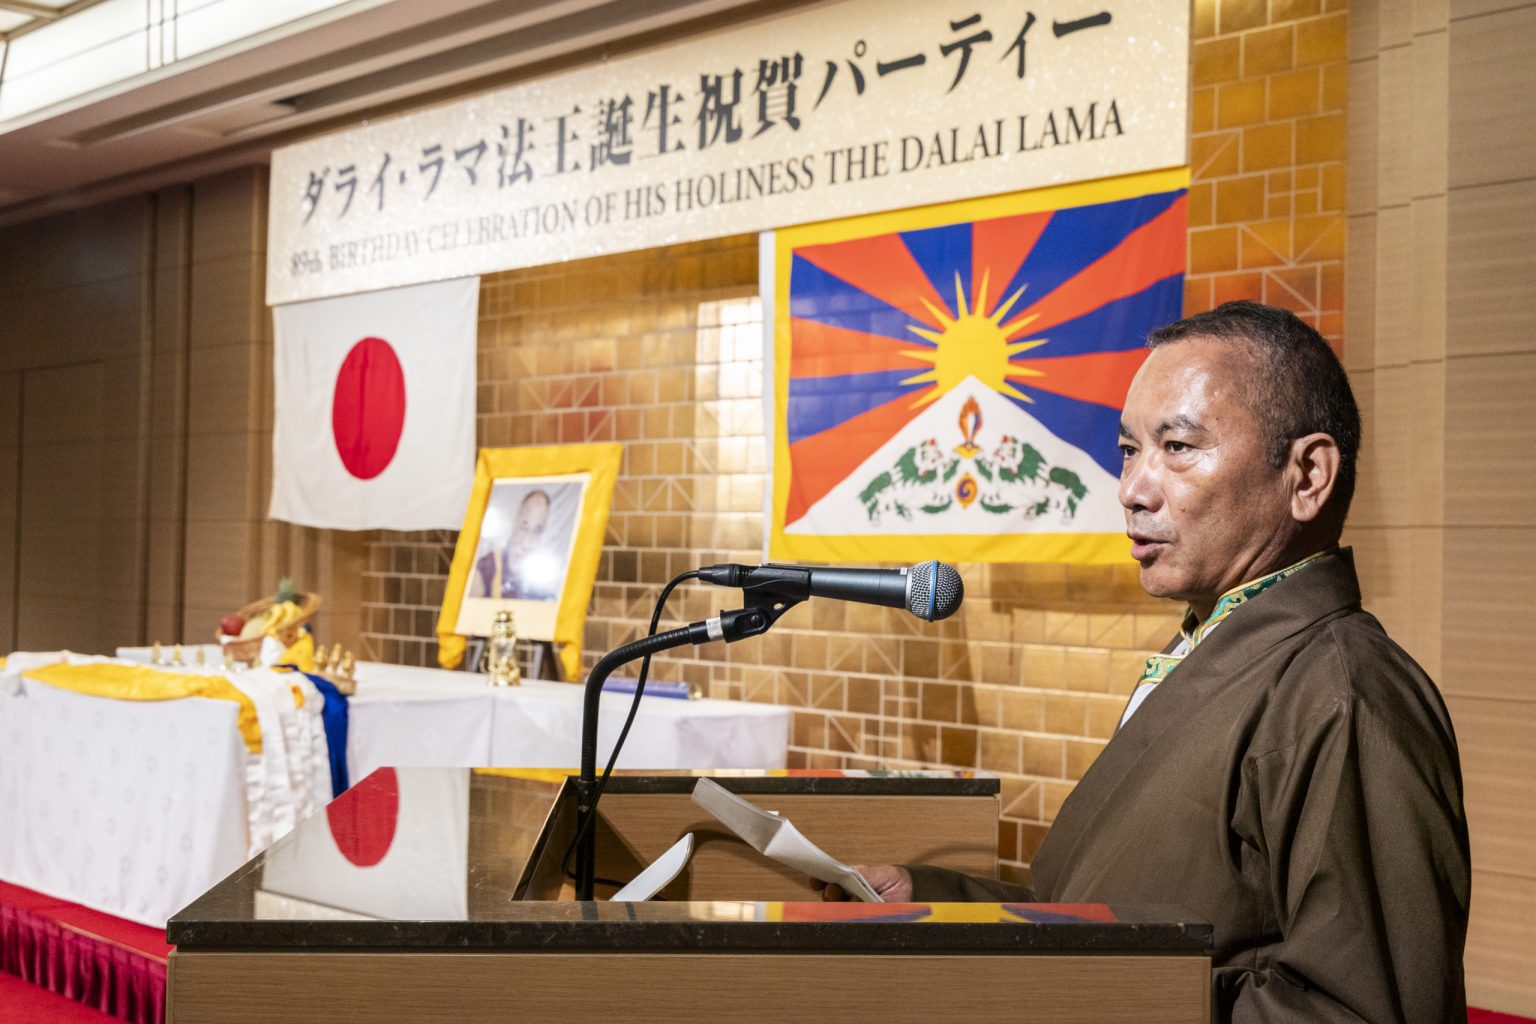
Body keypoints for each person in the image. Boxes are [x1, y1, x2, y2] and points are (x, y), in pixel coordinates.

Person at [823, 302, 1471, 1023]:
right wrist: (933, 904)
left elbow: (1360, 1010)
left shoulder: (1344, 695)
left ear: (1308, 476)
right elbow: (1102, 916)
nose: (1132, 488)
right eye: (1130, 450)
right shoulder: (1211, 647)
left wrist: (1100, 994)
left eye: (1180, 447)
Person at [473, 488, 559, 601]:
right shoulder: (487, 566)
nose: (527, 541)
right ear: (514, 524)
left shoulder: (543, 577)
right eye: (524, 528)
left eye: (537, 531)